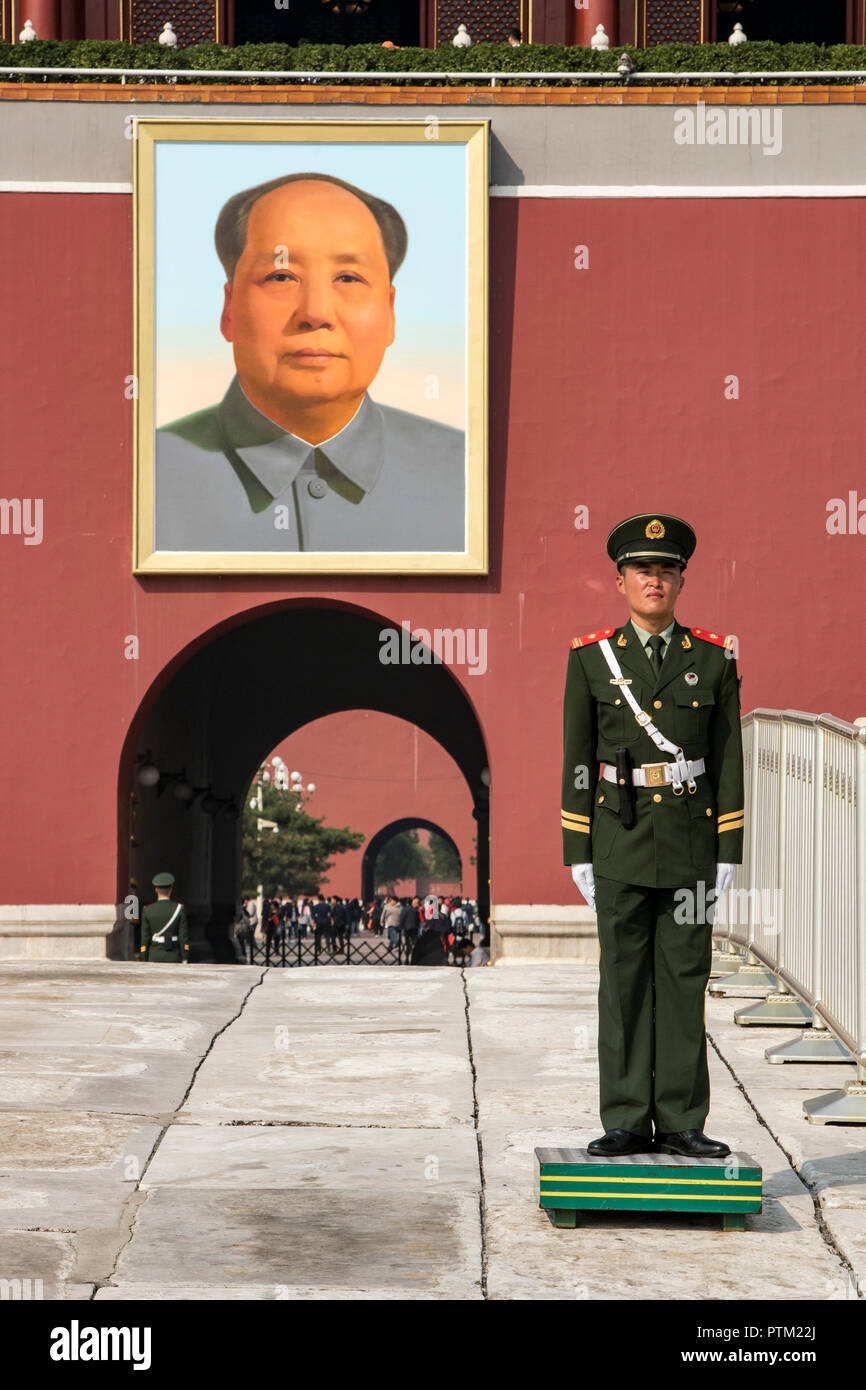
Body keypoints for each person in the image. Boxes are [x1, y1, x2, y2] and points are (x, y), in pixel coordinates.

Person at [155, 173, 465, 555]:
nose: (316, 313)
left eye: (348, 278)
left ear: (390, 312)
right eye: (281, 276)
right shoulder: (144, 476)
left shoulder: (468, 478)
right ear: (229, 309)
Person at [561, 513, 744, 1159]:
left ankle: (683, 1120)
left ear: (681, 580)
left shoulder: (716, 659)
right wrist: (577, 851)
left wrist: (728, 850)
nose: (655, 580)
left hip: (692, 845)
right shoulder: (590, 659)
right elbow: (577, 759)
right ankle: (626, 1120)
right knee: (624, 985)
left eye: (666, 570)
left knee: (684, 981)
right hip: (619, 841)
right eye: (643, 570)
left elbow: (728, 760)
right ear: (621, 582)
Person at [140, 872, 189, 963]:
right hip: (173, 957)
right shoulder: (179, 909)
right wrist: (185, 957)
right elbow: (183, 937)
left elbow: (145, 938)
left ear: (156, 889)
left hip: (154, 956)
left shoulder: (147, 910)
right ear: (171, 889)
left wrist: (144, 958)